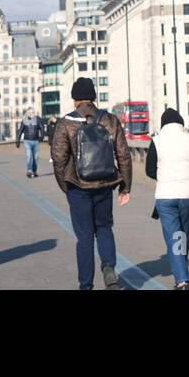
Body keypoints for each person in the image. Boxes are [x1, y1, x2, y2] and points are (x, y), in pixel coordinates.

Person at [51, 77, 132, 290]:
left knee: (84, 238)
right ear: (93, 97)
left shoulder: (66, 122)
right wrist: (125, 186)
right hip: (105, 185)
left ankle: (86, 285)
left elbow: (59, 158)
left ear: (75, 99)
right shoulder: (110, 120)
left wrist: (65, 186)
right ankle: (108, 267)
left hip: (78, 187)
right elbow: (123, 155)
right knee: (104, 227)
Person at [145, 107, 189, 289]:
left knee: (174, 237)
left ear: (163, 125)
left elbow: (149, 169)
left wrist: (164, 177)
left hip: (166, 197)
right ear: (180, 123)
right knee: (183, 236)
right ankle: (181, 272)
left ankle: (182, 279)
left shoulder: (156, 141)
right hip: (187, 196)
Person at [16, 106, 44, 178]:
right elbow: (20, 130)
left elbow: (42, 128)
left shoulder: (38, 119)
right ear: (27, 113)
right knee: (29, 156)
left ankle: (34, 171)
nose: (31, 114)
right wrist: (17, 141)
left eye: (32, 112)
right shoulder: (25, 120)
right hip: (27, 141)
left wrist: (42, 137)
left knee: (36, 157)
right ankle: (29, 171)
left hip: (36, 141)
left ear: (34, 113)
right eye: (29, 112)